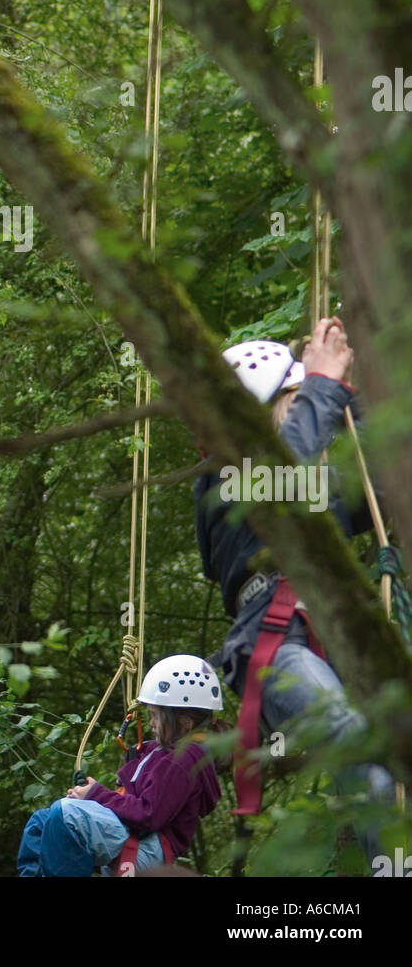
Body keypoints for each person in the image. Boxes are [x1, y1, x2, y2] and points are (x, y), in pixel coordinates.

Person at [197, 317, 395, 854]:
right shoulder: (228, 480)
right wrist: (324, 385)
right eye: (298, 400)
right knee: (366, 759)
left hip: (331, 641)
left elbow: (384, 489)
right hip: (275, 645)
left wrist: (348, 399)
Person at [17, 655, 222, 877]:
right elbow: (137, 798)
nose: (151, 723)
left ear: (184, 722)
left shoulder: (182, 761)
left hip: (149, 848)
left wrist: (96, 795)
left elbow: (148, 815)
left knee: (66, 813)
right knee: (41, 820)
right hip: (133, 833)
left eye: (155, 716)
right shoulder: (162, 752)